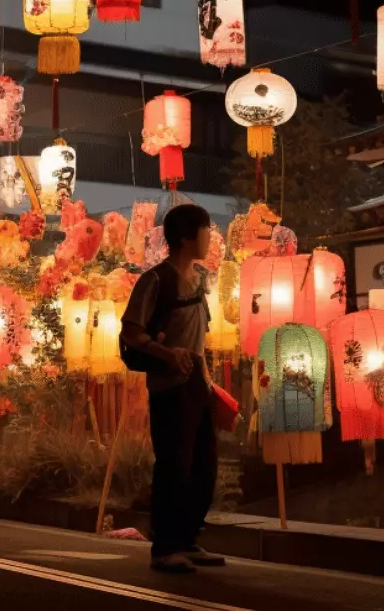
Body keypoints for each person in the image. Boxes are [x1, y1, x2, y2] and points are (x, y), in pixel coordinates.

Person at [121, 203, 224, 574]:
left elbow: (199, 337)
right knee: (174, 466)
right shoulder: (156, 280)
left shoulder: (199, 278)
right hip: (169, 386)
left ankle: (187, 539)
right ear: (185, 237)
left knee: (203, 467)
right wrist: (166, 354)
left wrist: (210, 383)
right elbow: (132, 332)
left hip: (199, 384)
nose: (210, 236)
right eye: (206, 229)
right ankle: (165, 547)